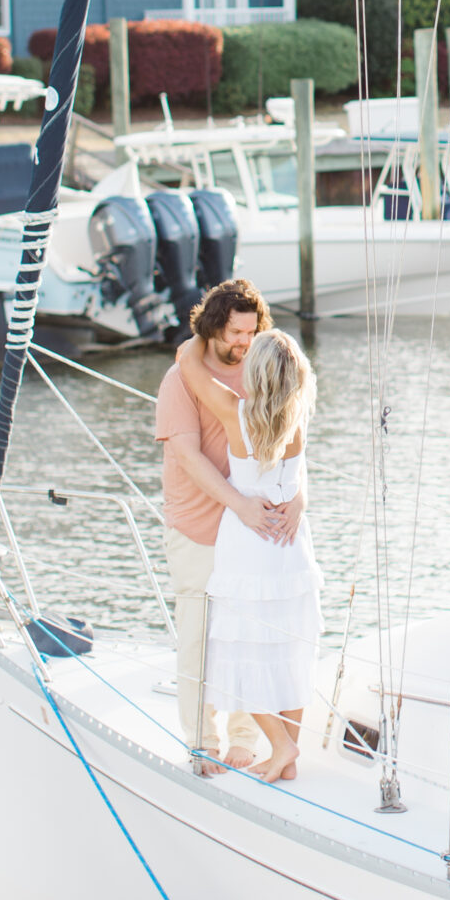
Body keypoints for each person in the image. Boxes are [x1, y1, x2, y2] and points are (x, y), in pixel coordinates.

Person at [154, 277, 299, 773]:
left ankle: (244, 736)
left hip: (251, 532)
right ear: (214, 328)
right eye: (236, 332)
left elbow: (294, 448)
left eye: (251, 332)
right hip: (200, 525)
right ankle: (201, 740)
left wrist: (298, 499)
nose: (244, 341)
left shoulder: (261, 373)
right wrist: (238, 504)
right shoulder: (181, 380)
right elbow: (187, 455)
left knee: (247, 635)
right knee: (198, 638)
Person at [174, 325, 321, 784]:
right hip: (290, 547)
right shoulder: (298, 418)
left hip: (250, 545)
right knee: (288, 649)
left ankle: (282, 745)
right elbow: (298, 480)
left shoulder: (234, 412)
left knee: (241, 651)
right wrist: (298, 501)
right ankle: (287, 756)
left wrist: (212, 331)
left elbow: (187, 360)